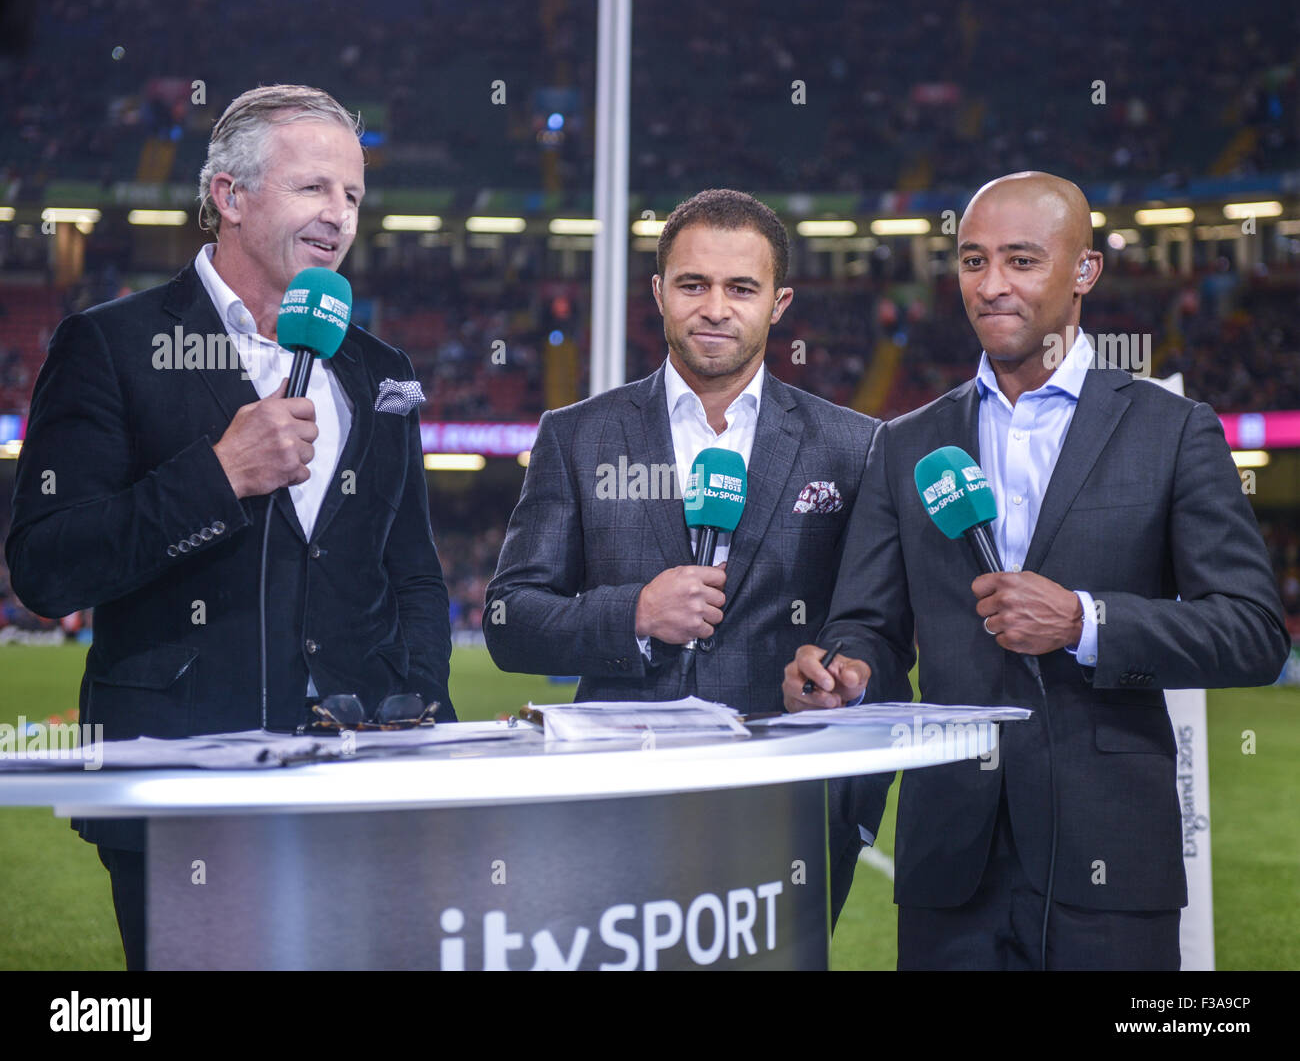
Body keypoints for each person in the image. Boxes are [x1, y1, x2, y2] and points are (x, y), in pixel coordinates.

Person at [783, 171, 1290, 970]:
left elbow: (1254, 631)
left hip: (1113, 860)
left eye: (1021, 260)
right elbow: (870, 625)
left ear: (1084, 271)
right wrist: (846, 670)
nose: (991, 286)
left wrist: (1087, 621)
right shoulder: (908, 442)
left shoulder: (1172, 429)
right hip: (951, 859)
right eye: (972, 261)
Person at [5, 85, 454, 969]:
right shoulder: (112, 344)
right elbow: (47, 568)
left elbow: (413, 573)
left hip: (355, 783)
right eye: (314, 189)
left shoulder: (379, 369)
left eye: (355, 195)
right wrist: (219, 476)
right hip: (182, 786)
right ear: (229, 196)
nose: (340, 217)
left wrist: (421, 712)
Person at [484, 188, 890, 928]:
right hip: (619, 803)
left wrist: (843, 675)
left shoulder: (854, 445)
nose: (715, 307)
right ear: (659, 293)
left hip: (786, 805)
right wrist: (634, 613)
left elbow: (875, 626)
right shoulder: (577, 436)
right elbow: (512, 622)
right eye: (693, 284)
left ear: (780, 302)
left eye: (742, 288)